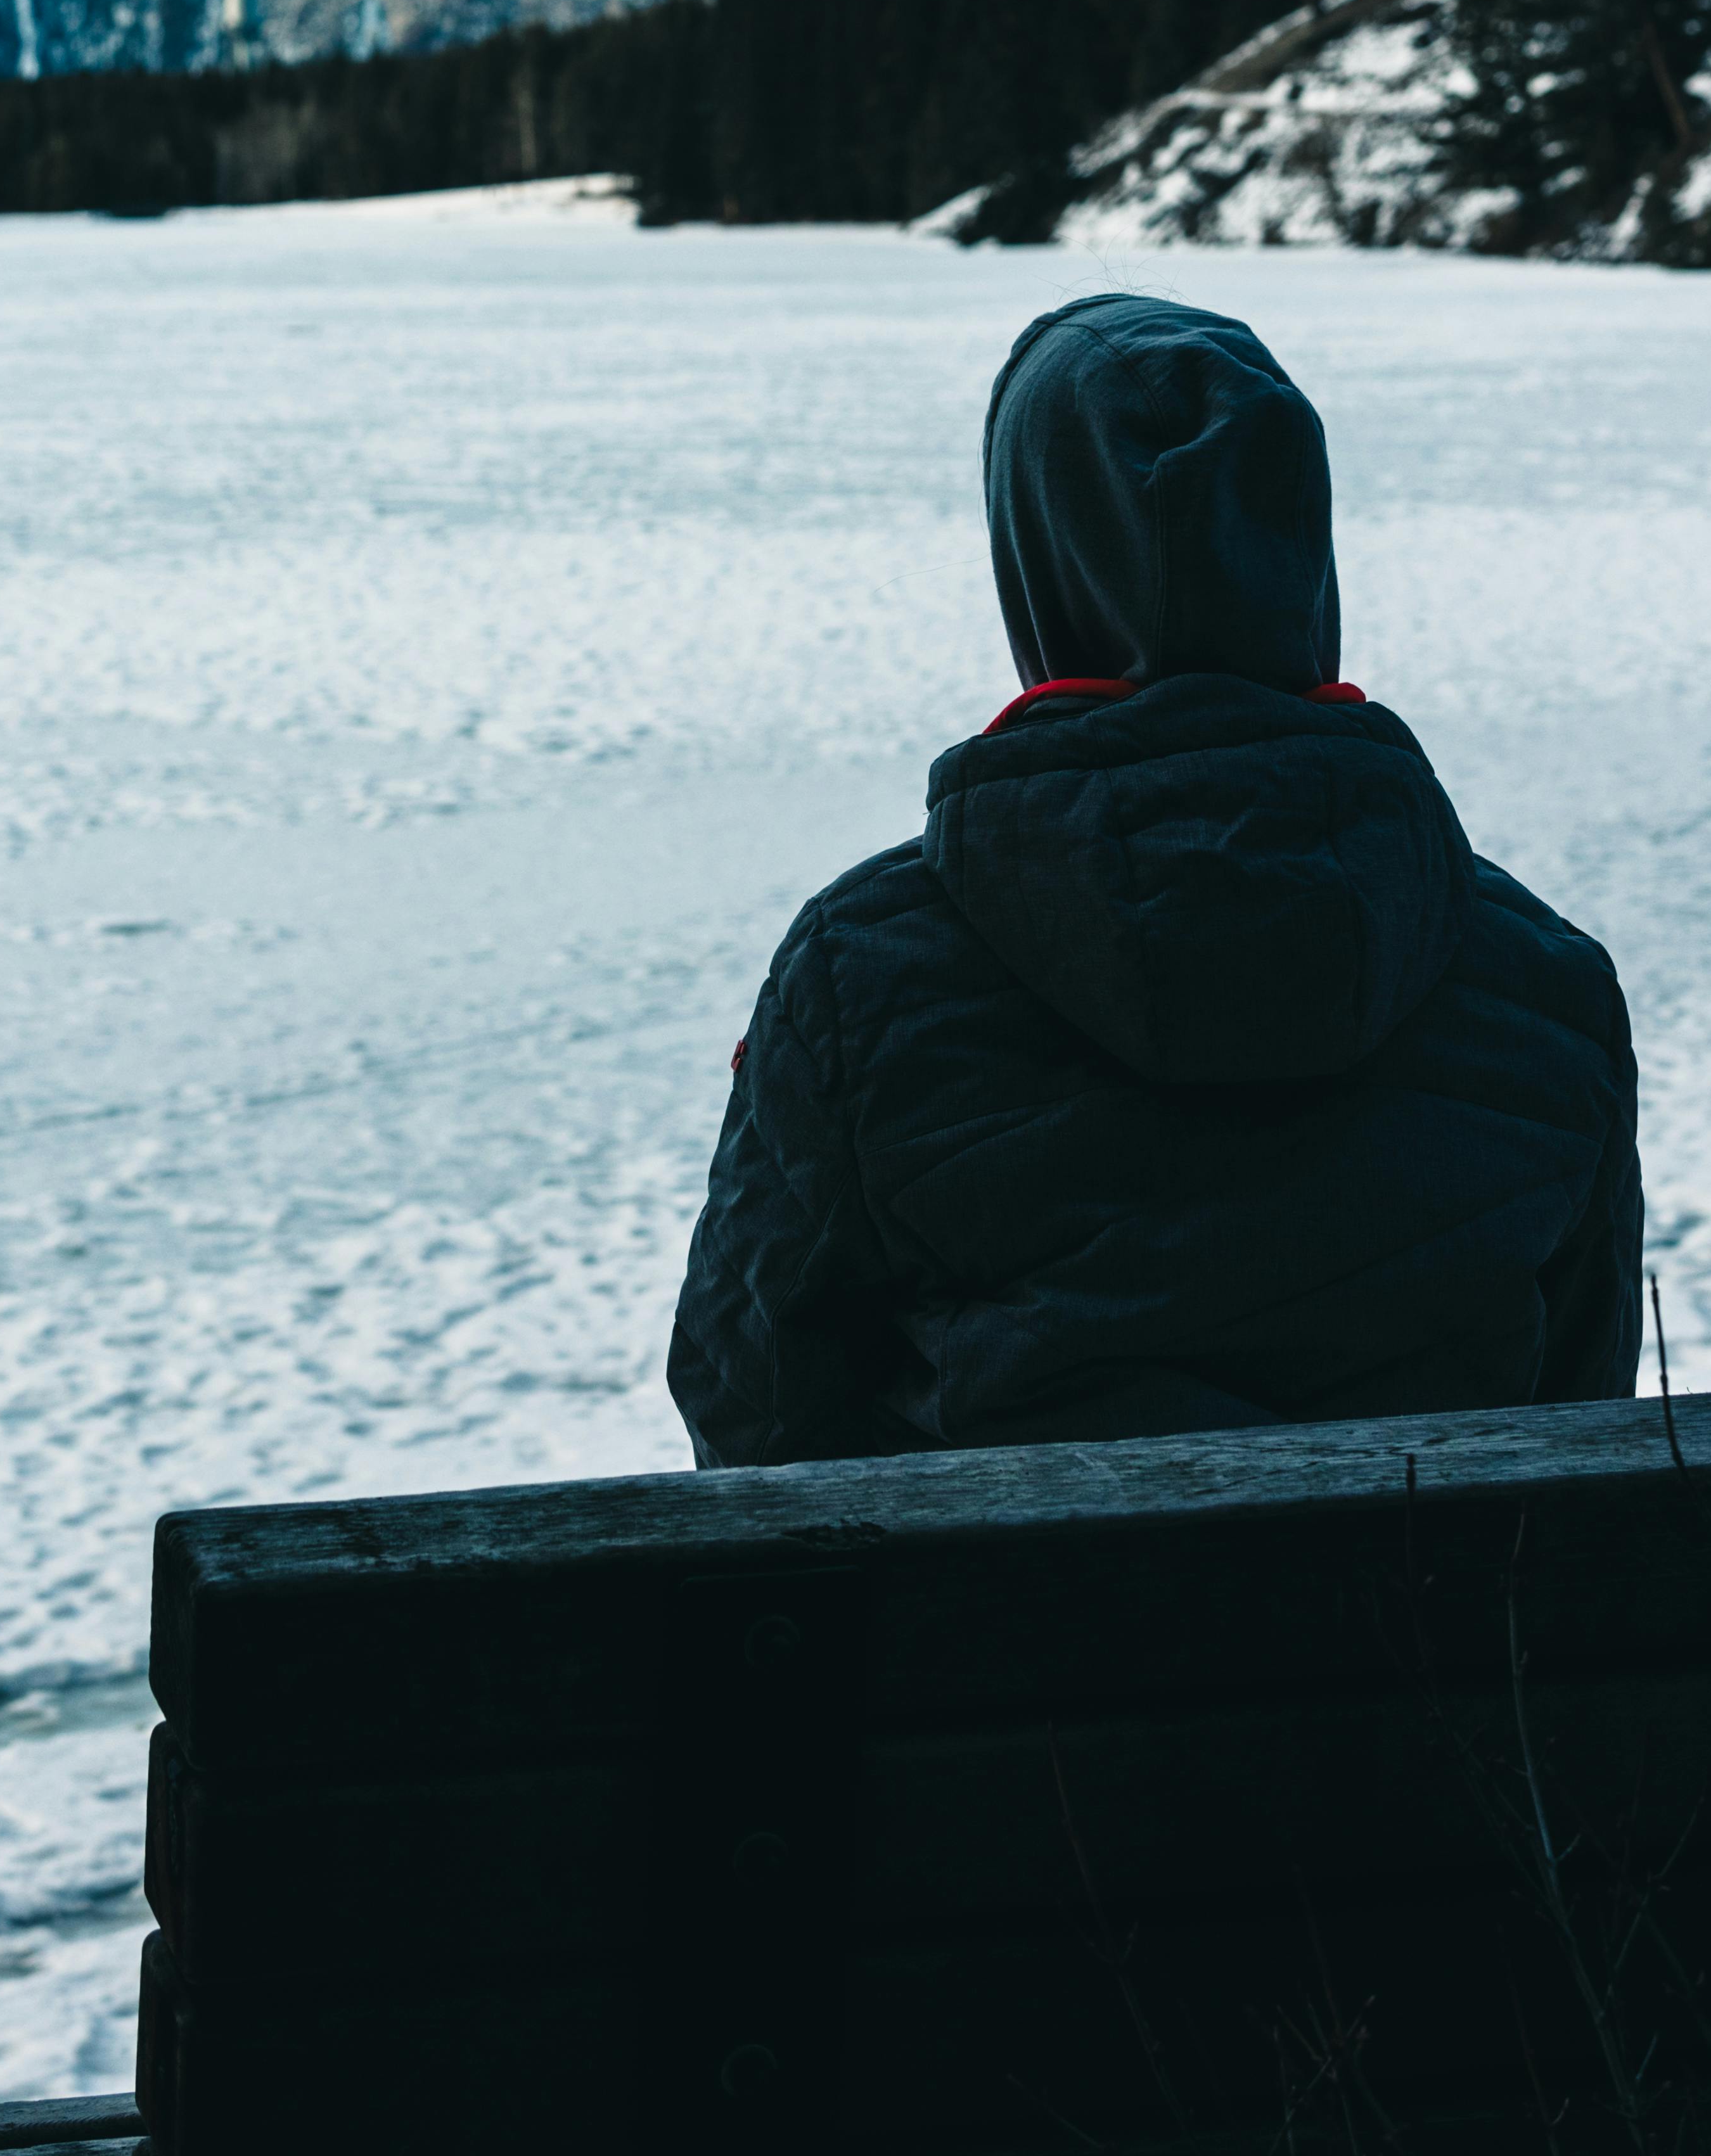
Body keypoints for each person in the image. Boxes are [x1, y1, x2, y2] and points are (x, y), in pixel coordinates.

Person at [668, 290, 1643, 1460]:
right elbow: (1583, 1414)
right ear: (1300, 559)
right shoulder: (1543, 980)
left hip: (1007, 1636)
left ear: (1039, 569)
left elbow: (755, 1413)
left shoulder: (859, 973)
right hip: (1453, 1636)